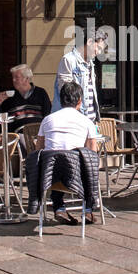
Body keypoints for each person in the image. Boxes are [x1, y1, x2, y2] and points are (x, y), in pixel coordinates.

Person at [36, 81, 100, 224]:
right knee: (88, 163)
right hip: (76, 176)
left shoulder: (47, 120)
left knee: (57, 159)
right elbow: (93, 153)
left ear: (61, 98)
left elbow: (39, 148)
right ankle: (88, 210)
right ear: (79, 101)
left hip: (49, 177)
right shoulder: (86, 122)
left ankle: (59, 207)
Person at [54, 32, 107, 123]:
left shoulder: (90, 63)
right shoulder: (69, 60)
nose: (99, 52)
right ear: (89, 42)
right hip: (73, 121)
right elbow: (66, 95)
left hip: (89, 121)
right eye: (98, 48)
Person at [0, 64, 52, 132]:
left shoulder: (40, 93)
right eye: (13, 77)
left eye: (17, 77)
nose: (13, 80)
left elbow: (48, 115)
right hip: (17, 136)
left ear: (27, 78)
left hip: (38, 134)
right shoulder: (9, 96)